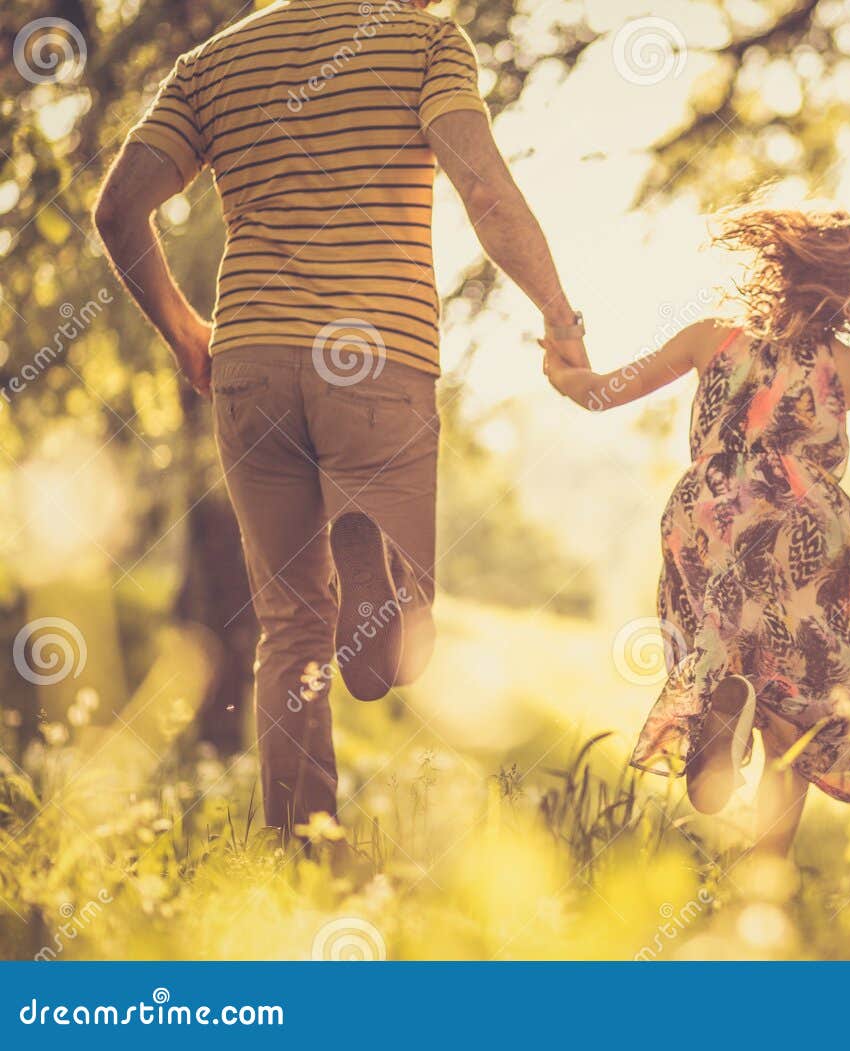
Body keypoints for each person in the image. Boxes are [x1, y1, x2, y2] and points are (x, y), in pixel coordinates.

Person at [93, 0, 586, 835]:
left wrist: (185, 333)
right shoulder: (425, 39)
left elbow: (117, 210)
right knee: (405, 634)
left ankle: (301, 850)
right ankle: (387, 581)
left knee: (290, 628)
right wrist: (561, 322)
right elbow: (485, 194)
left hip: (250, 358)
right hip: (374, 357)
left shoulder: (212, 61)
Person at [543, 208, 850, 855]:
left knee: (715, 647)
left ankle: (719, 707)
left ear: (774, 265)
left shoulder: (709, 336)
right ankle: (764, 872)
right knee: (798, 708)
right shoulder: (845, 368)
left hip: (707, 521)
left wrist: (559, 365)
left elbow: (599, 391)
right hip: (801, 540)